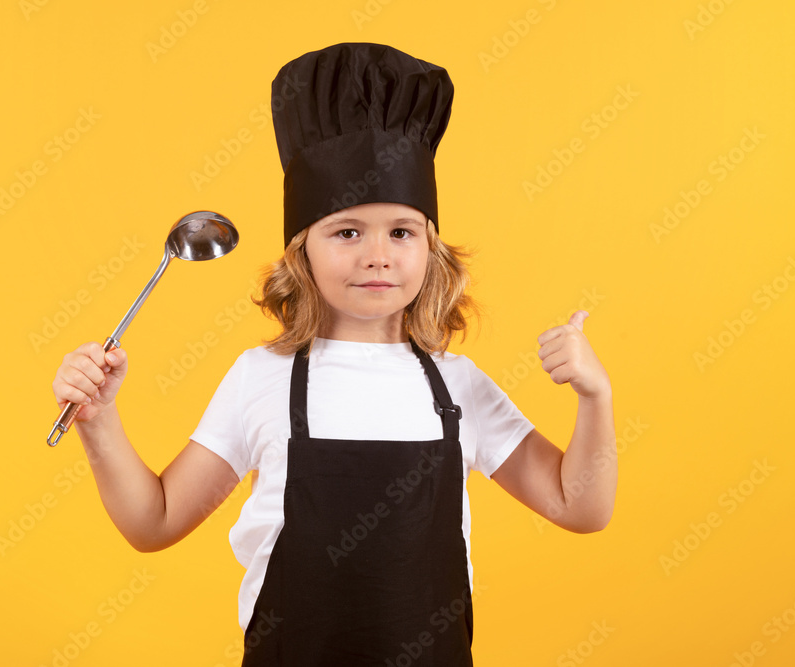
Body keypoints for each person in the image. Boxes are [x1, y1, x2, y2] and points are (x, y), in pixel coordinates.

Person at [50, 42, 615, 666]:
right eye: (347, 232)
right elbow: (153, 523)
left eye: (401, 232)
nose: (378, 256)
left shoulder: (459, 387)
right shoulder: (260, 377)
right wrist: (98, 420)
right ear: (302, 251)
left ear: (430, 248)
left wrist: (596, 397)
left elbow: (580, 507)